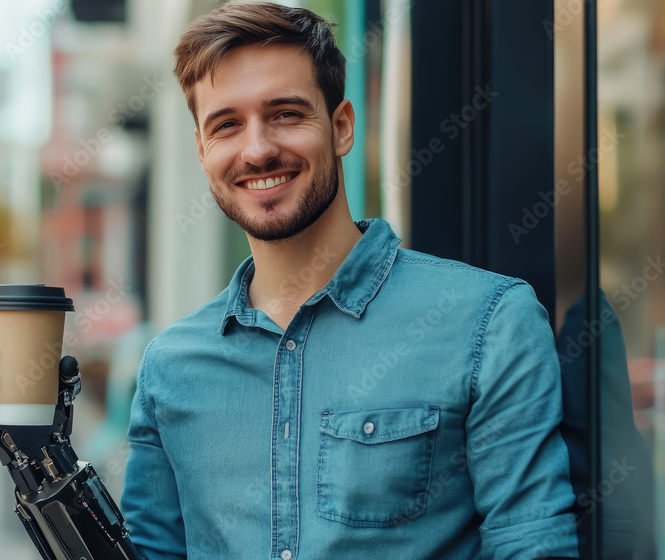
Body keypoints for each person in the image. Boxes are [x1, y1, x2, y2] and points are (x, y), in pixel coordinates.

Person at [120, 3, 579, 559]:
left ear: (341, 127)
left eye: (286, 113)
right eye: (227, 125)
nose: (259, 148)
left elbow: (533, 547)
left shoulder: (489, 324)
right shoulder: (171, 368)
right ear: (202, 151)